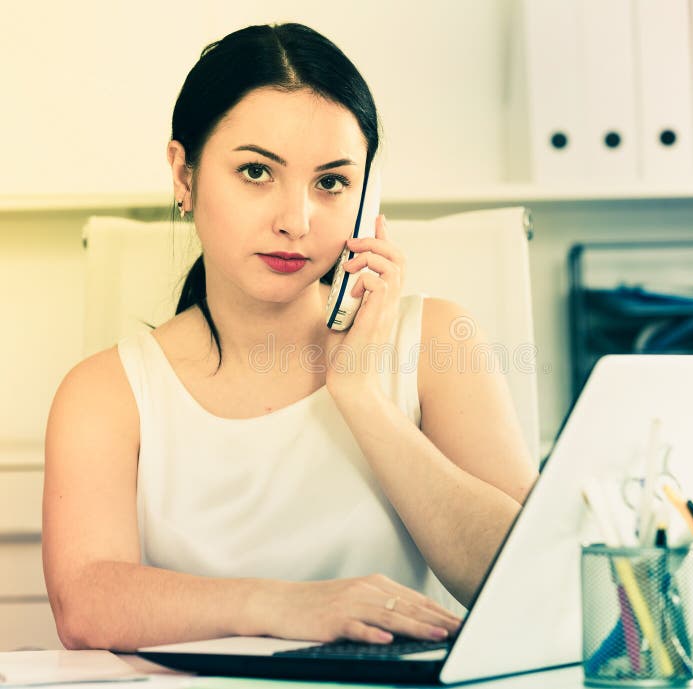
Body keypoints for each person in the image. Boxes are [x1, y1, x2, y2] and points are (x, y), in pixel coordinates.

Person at [42, 22, 536, 653]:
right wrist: (287, 606)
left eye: (331, 182)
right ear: (184, 175)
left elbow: (527, 579)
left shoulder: (437, 341)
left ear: (365, 197)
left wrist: (362, 397)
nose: (296, 221)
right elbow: (85, 603)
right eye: (256, 172)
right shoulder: (106, 393)